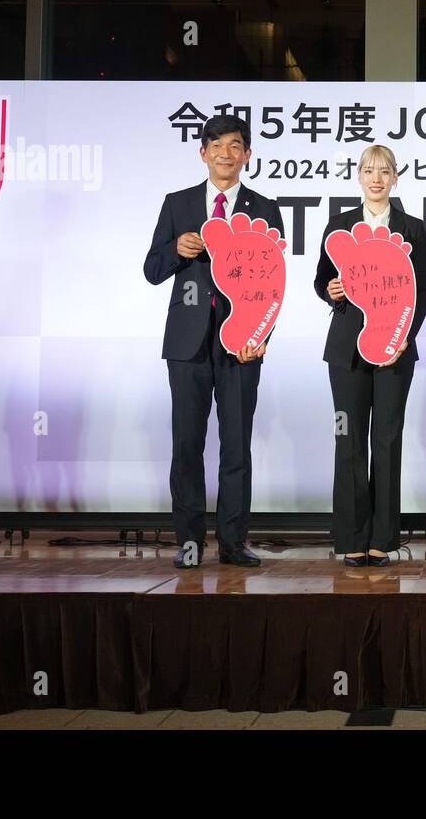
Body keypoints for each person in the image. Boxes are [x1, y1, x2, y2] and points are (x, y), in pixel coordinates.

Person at [143, 114, 284, 568]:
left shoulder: (264, 208)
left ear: (248, 155)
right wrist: (175, 250)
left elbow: (274, 284)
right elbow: (151, 270)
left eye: (236, 145)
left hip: (242, 343)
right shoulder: (177, 203)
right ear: (203, 152)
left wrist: (260, 334)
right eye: (217, 145)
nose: (226, 153)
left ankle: (232, 542)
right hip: (187, 344)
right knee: (187, 444)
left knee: (236, 445)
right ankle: (188, 542)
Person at [313, 145, 426, 566]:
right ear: (359, 176)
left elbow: (423, 293)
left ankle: (383, 538)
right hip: (347, 349)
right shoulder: (339, 225)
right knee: (348, 441)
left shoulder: (413, 228)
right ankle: (350, 537)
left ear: (396, 177)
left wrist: (404, 336)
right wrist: (329, 290)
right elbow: (322, 280)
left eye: (385, 171)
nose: (377, 178)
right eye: (369, 170)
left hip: (395, 350)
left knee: (386, 441)